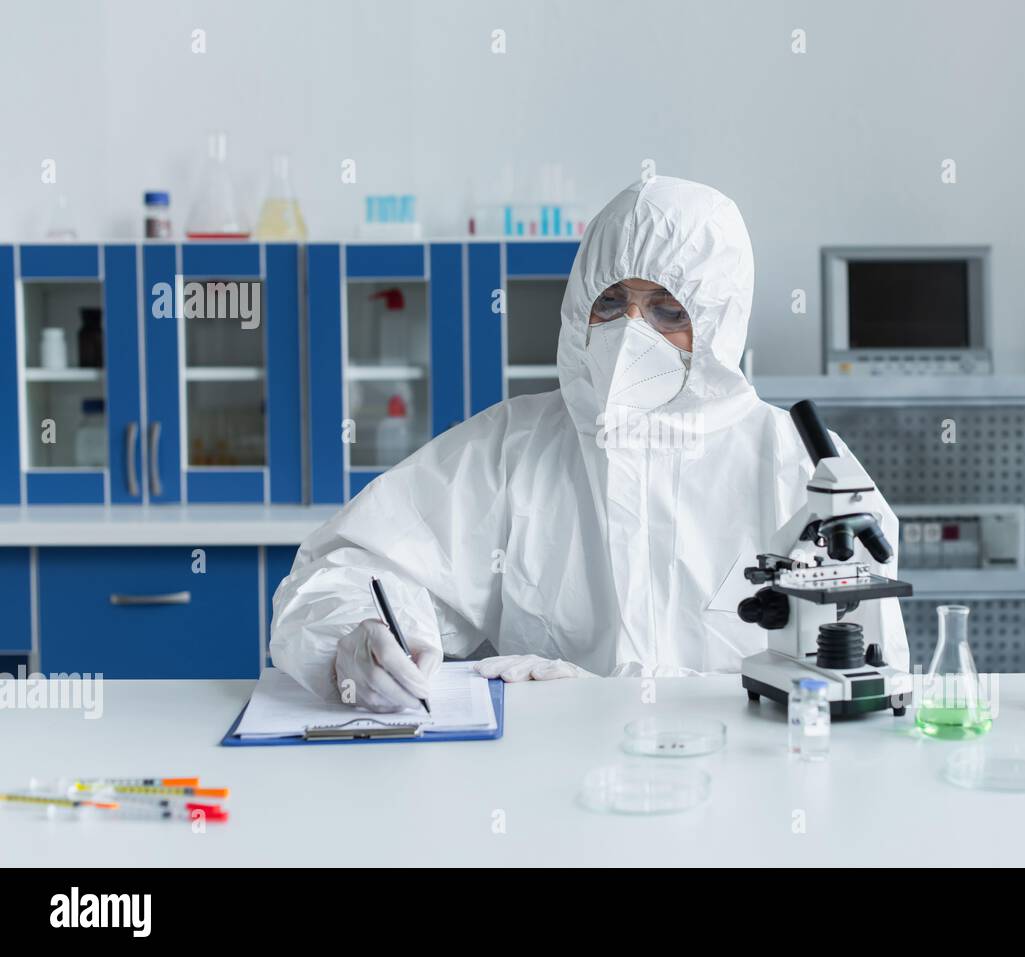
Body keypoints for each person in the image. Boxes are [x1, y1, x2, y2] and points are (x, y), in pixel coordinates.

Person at [270, 176, 906, 712]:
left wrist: (605, 701)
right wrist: (357, 640)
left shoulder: (797, 465)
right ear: (578, 308)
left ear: (720, 321)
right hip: (549, 797)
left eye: (666, 309)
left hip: (748, 795)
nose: (633, 334)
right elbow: (353, 570)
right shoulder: (511, 447)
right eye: (611, 302)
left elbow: (868, 680)